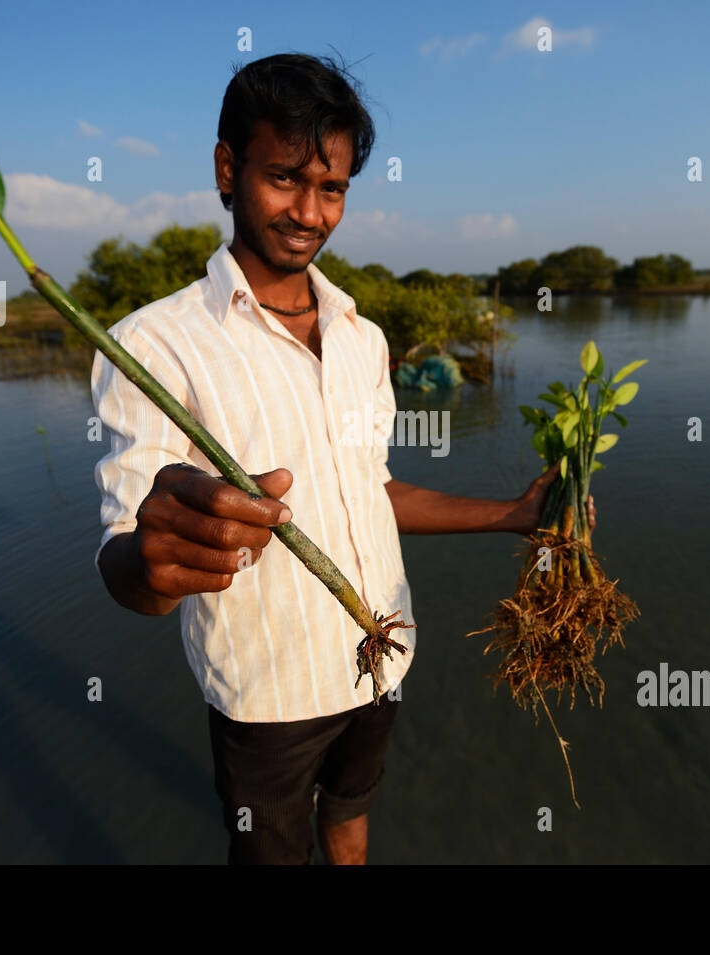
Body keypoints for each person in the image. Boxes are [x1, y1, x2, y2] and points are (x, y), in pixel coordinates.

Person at [92, 52, 595, 865]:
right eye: (285, 178)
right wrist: (154, 566)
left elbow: (373, 489)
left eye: (332, 189)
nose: (309, 211)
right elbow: (127, 558)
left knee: (353, 820)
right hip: (268, 695)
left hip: (380, 655)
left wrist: (514, 514)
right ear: (228, 168)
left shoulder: (364, 338)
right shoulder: (155, 344)